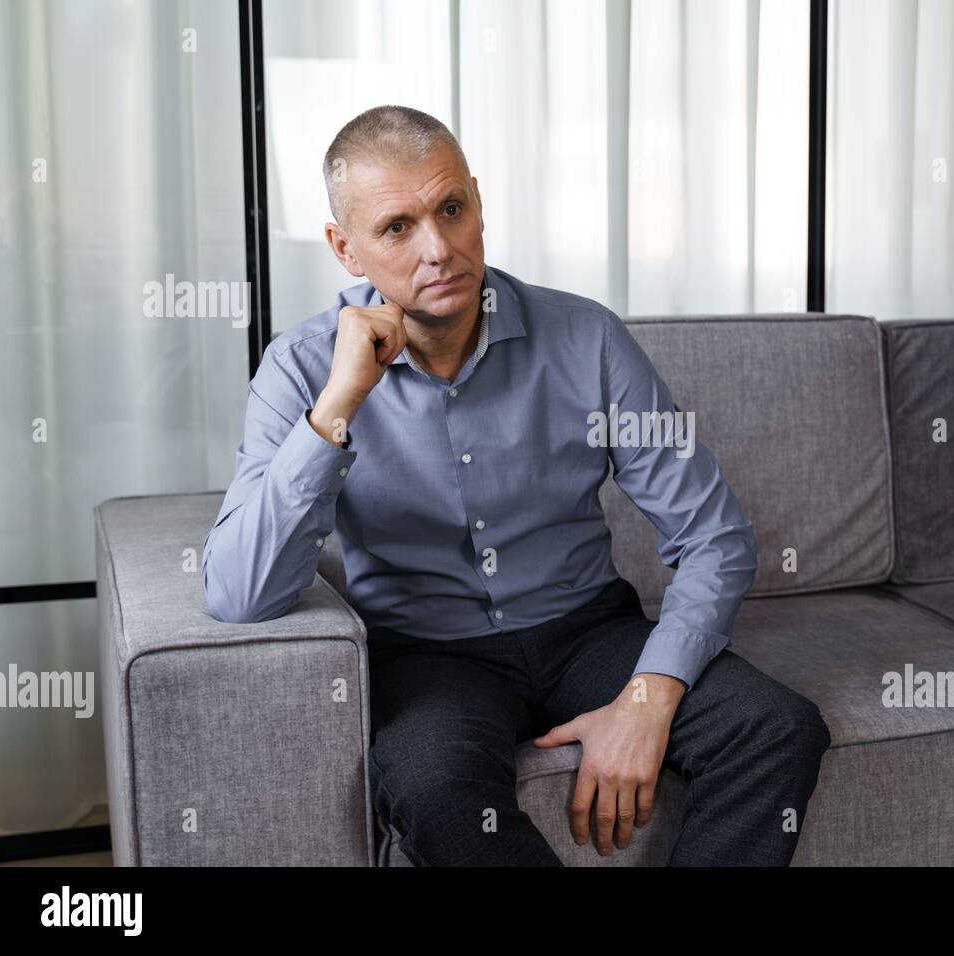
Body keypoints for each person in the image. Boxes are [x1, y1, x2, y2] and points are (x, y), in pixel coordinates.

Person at [202, 105, 831, 866]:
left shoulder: (587, 339)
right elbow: (240, 593)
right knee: (434, 786)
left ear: (478, 202)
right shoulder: (301, 369)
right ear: (346, 249)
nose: (438, 248)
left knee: (776, 726)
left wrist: (648, 695)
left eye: (451, 209)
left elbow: (715, 537)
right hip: (427, 658)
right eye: (397, 228)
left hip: (588, 632)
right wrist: (335, 408)